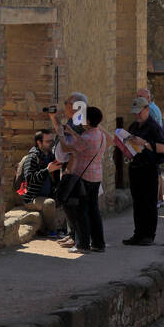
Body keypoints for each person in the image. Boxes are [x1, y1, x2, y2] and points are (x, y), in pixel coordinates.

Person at [57, 106, 108, 252]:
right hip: (96, 177)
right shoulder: (100, 135)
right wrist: (72, 132)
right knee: (94, 210)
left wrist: (61, 135)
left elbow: (67, 148)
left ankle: (83, 244)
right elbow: (83, 143)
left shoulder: (86, 137)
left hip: (82, 178)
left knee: (80, 211)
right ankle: (98, 243)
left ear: (88, 120)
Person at [123, 96, 164, 245]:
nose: (136, 115)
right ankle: (138, 234)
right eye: (135, 113)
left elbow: (162, 148)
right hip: (135, 168)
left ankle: (148, 235)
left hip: (149, 169)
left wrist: (145, 143)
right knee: (138, 203)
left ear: (147, 110)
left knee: (149, 203)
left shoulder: (154, 127)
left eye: (139, 112)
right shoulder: (134, 127)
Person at [49, 93, 88, 249]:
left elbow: (70, 149)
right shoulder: (74, 121)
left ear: (74, 106)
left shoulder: (78, 124)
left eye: (66, 103)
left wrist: (69, 171)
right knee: (68, 203)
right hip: (69, 168)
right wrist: (54, 119)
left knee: (73, 203)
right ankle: (72, 234)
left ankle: (76, 237)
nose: (64, 106)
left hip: (74, 170)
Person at [18, 129, 62, 236]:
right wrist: (47, 170)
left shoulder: (51, 156)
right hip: (32, 197)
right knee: (49, 203)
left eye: (52, 141)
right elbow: (30, 178)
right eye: (48, 141)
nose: (51, 144)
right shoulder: (33, 157)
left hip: (48, 194)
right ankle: (51, 231)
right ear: (39, 142)